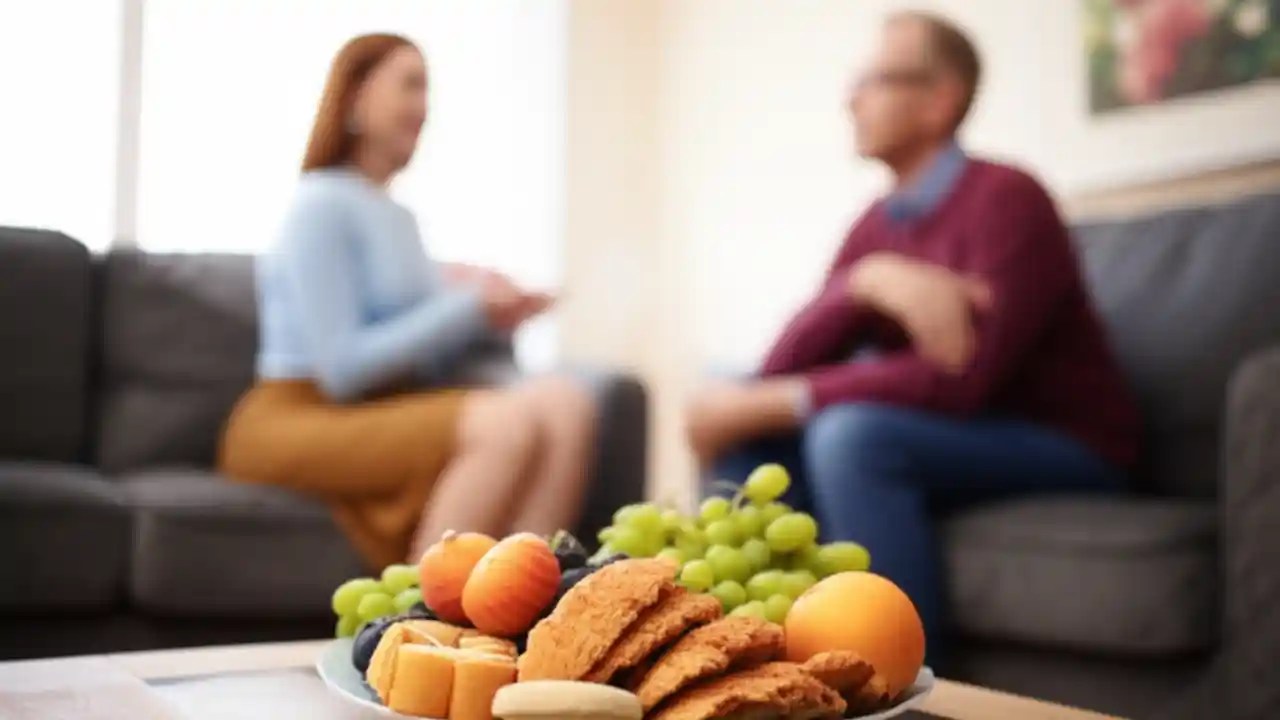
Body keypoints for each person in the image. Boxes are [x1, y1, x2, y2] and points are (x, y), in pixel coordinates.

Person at [685, 12, 1139, 649]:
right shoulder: (877, 227)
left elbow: (963, 378)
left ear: (938, 100)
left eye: (874, 80)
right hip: (951, 433)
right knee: (745, 423)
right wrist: (867, 280)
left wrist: (786, 399)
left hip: (1068, 441)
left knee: (851, 435)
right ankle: (757, 658)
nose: (851, 98)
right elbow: (779, 366)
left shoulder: (1009, 198)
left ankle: (908, 682)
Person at [219, 33, 595, 569]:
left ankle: (522, 615)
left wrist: (497, 317)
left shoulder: (400, 218)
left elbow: (421, 357)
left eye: (428, 89)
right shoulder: (320, 204)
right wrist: (467, 304)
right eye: (410, 84)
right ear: (355, 97)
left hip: (381, 408)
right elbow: (342, 369)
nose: (424, 106)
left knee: (566, 404)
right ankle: (422, 627)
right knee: (503, 422)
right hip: (296, 415)